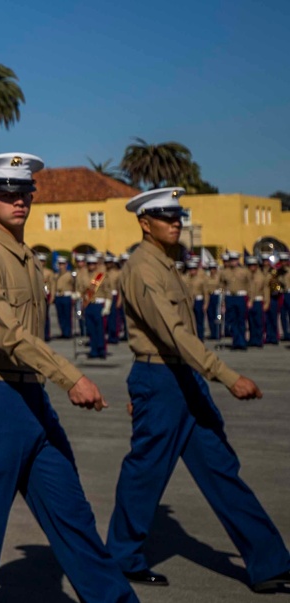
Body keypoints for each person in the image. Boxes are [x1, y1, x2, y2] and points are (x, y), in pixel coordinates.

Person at [0, 152, 136, 603]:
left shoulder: (29, 261)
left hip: (31, 399)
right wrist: (69, 376)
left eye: (25, 192)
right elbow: (4, 332)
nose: (19, 200)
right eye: (7, 193)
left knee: (71, 513)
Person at [106, 187, 290, 593]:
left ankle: (271, 562)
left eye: (178, 217)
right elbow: (172, 334)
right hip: (163, 379)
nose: (175, 223)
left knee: (222, 470)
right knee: (146, 474)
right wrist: (225, 374)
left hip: (179, 378)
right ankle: (120, 557)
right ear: (144, 222)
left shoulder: (168, 265)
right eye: (165, 217)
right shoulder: (144, 267)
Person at [220, 251, 249, 350]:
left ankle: (242, 342)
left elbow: (249, 285)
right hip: (229, 297)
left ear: (238, 260)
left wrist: (250, 299)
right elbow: (222, 286)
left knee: (241, 320)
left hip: (241, 296)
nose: (233, 262)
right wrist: (222, 301)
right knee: (232, 321)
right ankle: (236, 341)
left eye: (235, 260)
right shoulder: (224, 272)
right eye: (231, 260)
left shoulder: (244, 271)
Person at [83, 254, 108, 358]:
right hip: (89, 305)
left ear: (96, 264)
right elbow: (81, 289)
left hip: (99, 304)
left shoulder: (101, 276)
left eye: (93, 263)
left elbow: (108, 292)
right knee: (91, 328)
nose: (91, 266)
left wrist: (107, 306)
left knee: (100, 329)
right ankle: (93, 350)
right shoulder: (83, 276)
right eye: (89, 264)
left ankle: (101, 349)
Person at [245, 256, 267, 347]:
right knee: (251, 321)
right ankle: (252, 339)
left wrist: (266, 302)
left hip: (258, 300)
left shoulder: (260, 276)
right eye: (250, 265)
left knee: (258, 321)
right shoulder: (247, 275)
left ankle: (259, 340)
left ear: (257, 266)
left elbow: (265, 290)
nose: (252, 267)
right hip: (249, 301)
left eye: (253, 265)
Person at [53, 256, 74, 338]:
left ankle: (68, 332)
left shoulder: (69, 275)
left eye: (63, 264)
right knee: (60, 316)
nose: (61, 266)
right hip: (58, 296)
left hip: (66, 296)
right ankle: (63, 331)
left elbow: (73, 285)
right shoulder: (56, 275)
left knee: (67, 315)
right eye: (60, 264)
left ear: (66, 264)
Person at [204, 260, 223, 340]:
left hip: (217, 296)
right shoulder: (207, 277)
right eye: (211, 268)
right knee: (210, 315)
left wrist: (222, 299)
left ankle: (218, 333)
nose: (212, 270)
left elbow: (222, 287)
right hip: (210, 296)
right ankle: (212, 332)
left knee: (218, 315)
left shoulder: (219, 277)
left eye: (214, 268)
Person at [37, 252, 54, 341]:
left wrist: (52, 296)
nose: (41, 262)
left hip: (46, 294)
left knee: (46, 315)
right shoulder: (34, 270)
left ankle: (47, 334)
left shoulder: (48, 272)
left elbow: (52, 284)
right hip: (37, 294)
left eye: (42, 261)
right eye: (39, 260)